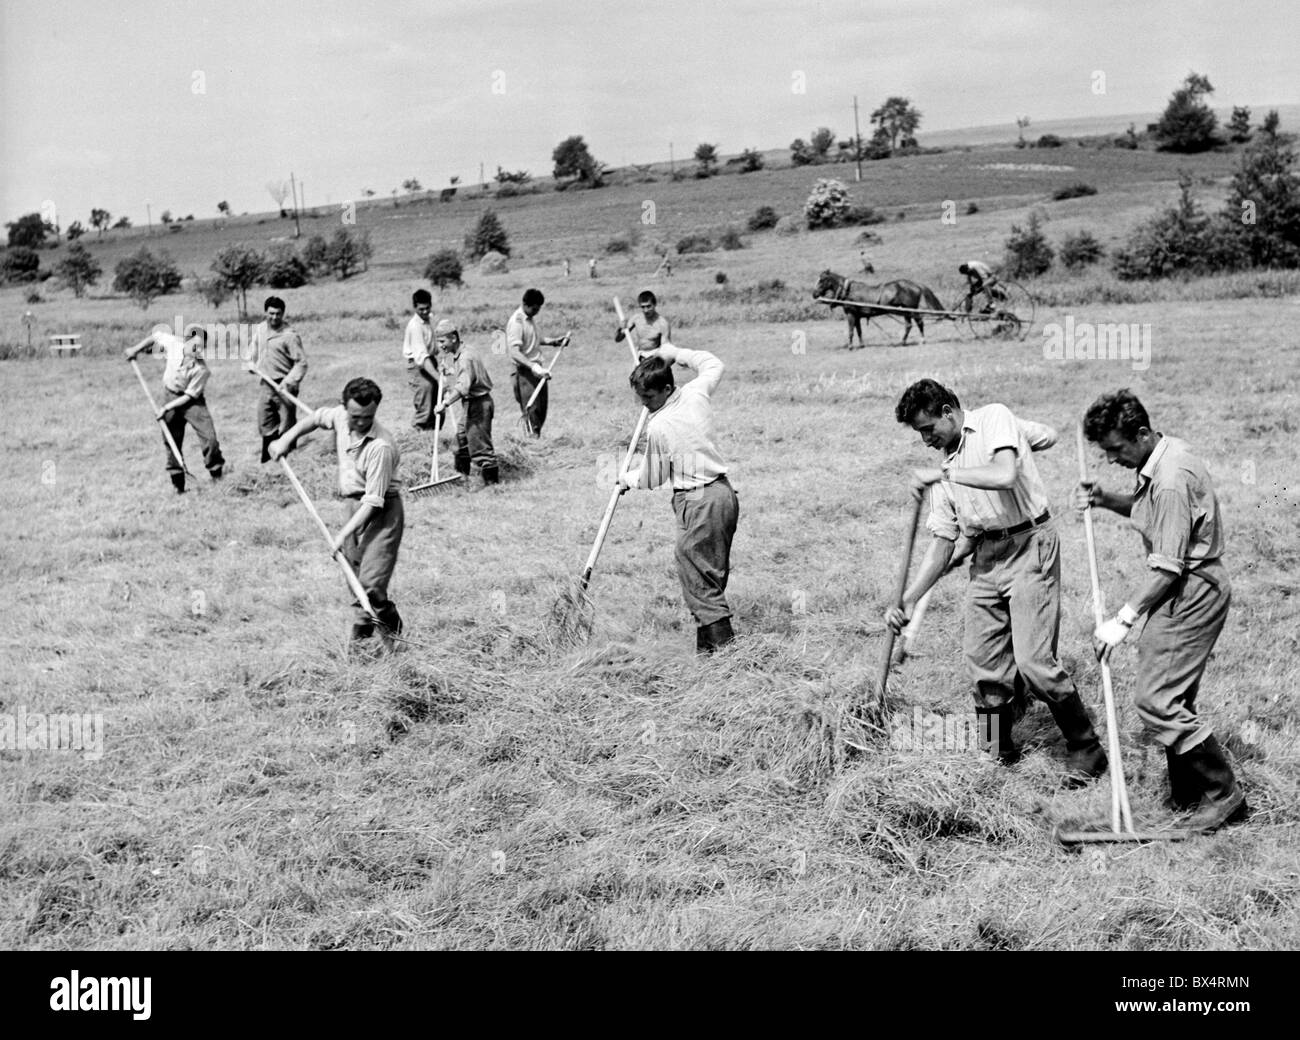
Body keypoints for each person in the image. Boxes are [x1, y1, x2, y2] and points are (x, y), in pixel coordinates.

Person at [884, 378, 1107, 783]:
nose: (926, 440)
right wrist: (910, 598)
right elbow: (943, 543)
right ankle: (997, 749)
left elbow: (1004, 474)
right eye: (920, 435)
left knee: (1034, 662)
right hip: (985, 556)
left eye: (929, 429)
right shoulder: (946, 468)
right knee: (982, 663)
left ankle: (1086, 748)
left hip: (1029, 545)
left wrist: (942, 475)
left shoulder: (993, 419)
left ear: (949, 412)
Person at [1079, 389, 1246, 833]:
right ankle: (1188, 793)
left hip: (1191, 589)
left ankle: (1222, 795)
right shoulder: (1161, 456)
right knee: (1173, 695)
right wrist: (1104, 499)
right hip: (1185, 585)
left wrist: (1123, 620)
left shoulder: (1170, 477)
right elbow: (1149, 514)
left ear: (1141, 433)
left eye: (1116, 449)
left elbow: (1168, 566)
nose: (1112, 458)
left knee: (1155, 700)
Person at [268, 377, 405, 650]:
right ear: (345, 408)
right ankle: (361, 647)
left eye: (369, 416)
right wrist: (285, 440)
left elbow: (373, 503)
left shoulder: (381, 446)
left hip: (382, 512)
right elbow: (317, 418)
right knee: (354, 581)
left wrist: (341, 535)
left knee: (371, 584)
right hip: (353, 506)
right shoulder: (341, 417)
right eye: (356, 416)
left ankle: (397, 639)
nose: (362, 422)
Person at [618, 344, 738, 654]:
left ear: (667, 388)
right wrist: (675, 351)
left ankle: (730, 661)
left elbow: (653, 478)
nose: (643, 405)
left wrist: (626, 478)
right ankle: (709, 657)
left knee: (700, 584)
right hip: (723, 495)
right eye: (640, 397)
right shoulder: (696, 391)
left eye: (648, 397)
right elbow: (713, 363)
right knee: (708, 579)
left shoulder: (659, 425)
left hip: (697, 501)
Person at [124, 326, 225, 493]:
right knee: (171, 440)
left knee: (210, 437)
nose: (196, 351)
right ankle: (178, 484)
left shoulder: (202, 370)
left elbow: (189, 396)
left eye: (200, 348)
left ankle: (217, 475)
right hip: (170, 394)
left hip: (192, 402)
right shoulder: (174, 344)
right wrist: (135, 349)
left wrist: (166, 408)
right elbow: (156, 336)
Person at [433, 319, 497, 486]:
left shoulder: (465, 357)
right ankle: (462, 480)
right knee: (461, 443)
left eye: (442, 341)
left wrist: (445, 404)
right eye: (438, 342)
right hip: (471, 405)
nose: (440, 346)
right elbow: (465, 374)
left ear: (453, 338)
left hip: (479, 405)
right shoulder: (464, 352)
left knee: (481, 448)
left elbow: (463, 386)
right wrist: (449, 371)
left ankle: (493, 487)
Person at [250, 295, 308, 462]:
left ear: (283, 314)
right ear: (265, 312)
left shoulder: (290, 335)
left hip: (285, 385)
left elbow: (301, 363)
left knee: (286, 425)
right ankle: (267, 461)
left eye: (278, 314)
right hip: (266, 383)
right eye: (271, 313)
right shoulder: (260, 329)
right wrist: (250, 362)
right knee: (265, 422)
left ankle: (290, 462)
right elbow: (253, 350)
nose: (274, 317)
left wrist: (288, 382)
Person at [506, 288, 568, 437]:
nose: (537, 312)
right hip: (524, 372)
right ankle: (532, 444)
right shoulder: (517, 321)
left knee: (541, 410)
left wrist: (554, 342)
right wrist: (533, 366)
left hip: (537, 370)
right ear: (525, 304)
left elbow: (535, 340)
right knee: (531, 410)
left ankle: (537, 439)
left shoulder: (530, 320)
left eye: (538, 308)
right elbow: (514, 352)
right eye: (534, 308)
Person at [404, 289, 442, 429]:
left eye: (427, 308)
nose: (425, 312)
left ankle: (434, 434)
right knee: (425, 402)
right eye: (421, 309)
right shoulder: (415, 327)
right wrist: (438, 377)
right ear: (415, 307)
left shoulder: (430, 319)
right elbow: (422, 357)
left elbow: (435, 345)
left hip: (431, 361)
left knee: (437, 401)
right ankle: (417, 435)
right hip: (418, 366)